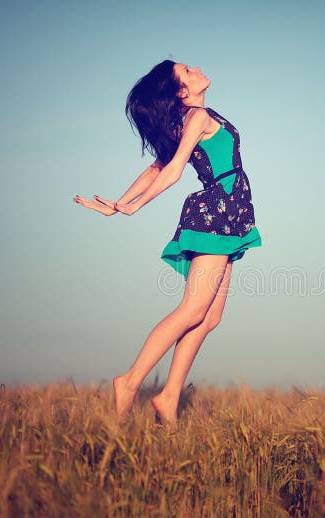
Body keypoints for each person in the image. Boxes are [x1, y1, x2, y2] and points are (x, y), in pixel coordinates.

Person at [73, 60, 262, 426]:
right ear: (181, 91)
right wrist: (132, 206)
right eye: (188, 71)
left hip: (229, 214)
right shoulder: (198, 117)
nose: (197, 68)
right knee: (193, 309)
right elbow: (172, 170)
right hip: (216, 214)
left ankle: (169, 396)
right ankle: (129, 382)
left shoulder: (190, 120)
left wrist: (120, 203)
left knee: (209, 316)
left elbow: (156, 167)